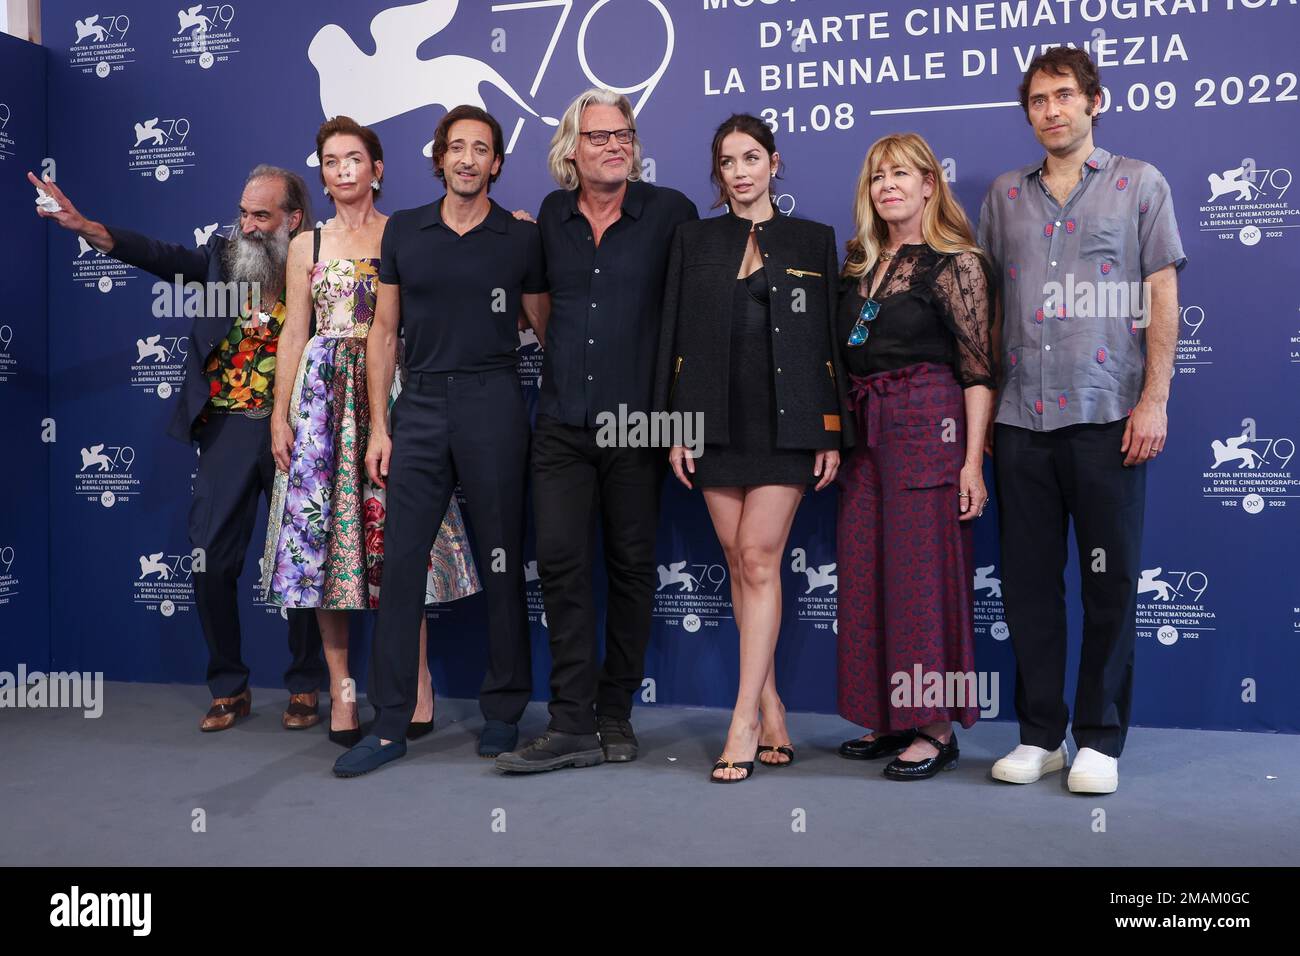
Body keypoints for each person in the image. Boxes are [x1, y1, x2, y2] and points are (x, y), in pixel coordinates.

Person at [29, 166, 326, 732]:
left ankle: (306, 684)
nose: (249, 225)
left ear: (294, 219)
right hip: (229, 429)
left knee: (302, 561)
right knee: (210, 559)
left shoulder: (317, 262)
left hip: (297, 428)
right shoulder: (222, 258)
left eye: (262, 216)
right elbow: (159, 256)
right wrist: (87, 227)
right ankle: (229, 685)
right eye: (244, 212)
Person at [979, 49, 1184, 794]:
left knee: (1109, 583)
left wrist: (1154, 399)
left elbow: (1162, 295)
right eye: (1038, 100)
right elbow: (993, 307)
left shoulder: (1139, 184)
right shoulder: (1003, 196)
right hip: (1020, 422)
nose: (1052, 110)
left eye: (1065, 96)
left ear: (1095, 101)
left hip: (1108, 419)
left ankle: (1099, 737)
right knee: (1030, 587)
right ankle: (1040, 736)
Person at [334, 105, 549, 777]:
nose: (466, 158)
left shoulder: (520, 239)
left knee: (502, 560)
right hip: (420, 404)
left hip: (493, 400)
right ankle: (390, 723)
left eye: (480, 149)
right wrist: (381, 423)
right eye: (456, 147)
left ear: (496, 163)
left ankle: (504, 710)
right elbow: (384, 331)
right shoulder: (405, 230)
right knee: (400, 566)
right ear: (439, 158)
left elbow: (547, 329)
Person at [494, 88, 697, 775]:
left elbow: (689, 324)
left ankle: (615, 714)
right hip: (560, 422)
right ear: (571, 149)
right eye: (600, 136)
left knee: (632, 568)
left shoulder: (670, 212)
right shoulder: (550, 216)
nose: (615, 145)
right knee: (559, 564)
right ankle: (571, 722)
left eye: (625, 134)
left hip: (639, 422)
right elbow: (541, 308)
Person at [261, 116, 480, 749]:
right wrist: (281, 414)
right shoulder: (308, 245)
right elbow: (294, 333)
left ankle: (415, 681)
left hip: (391, 396)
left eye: (354, 158)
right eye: (331, 160)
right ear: (323, 174)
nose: (343, 169)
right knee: (324, 544)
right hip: (322, 406)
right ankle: (344, 693)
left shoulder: (405, 232)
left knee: (399, 541)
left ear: (377, 169)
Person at [653, 114, 850, 783]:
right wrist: (673, 425)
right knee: (740, 562)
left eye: (751, 158)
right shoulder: (694, 240)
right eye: (727, 162)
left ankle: (740, 719)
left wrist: (831, 429)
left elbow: (826, 343)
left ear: (774, 162)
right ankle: (771, 704)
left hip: (787, 423)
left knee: (761, 557)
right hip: (712, 423)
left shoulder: (811, 239)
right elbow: (671, 338)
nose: (740, 172)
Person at [832, 133, 996, 781]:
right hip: (864, 432)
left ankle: (934, 727)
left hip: (931, 425)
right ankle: (893, 712)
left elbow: (979, 372)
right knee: (870, 569)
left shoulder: (956, 263)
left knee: (922, 578)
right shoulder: (858, 263)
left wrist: (973, 464)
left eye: (901, 173)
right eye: (877, 177)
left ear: (931, 183)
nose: (888, 186)